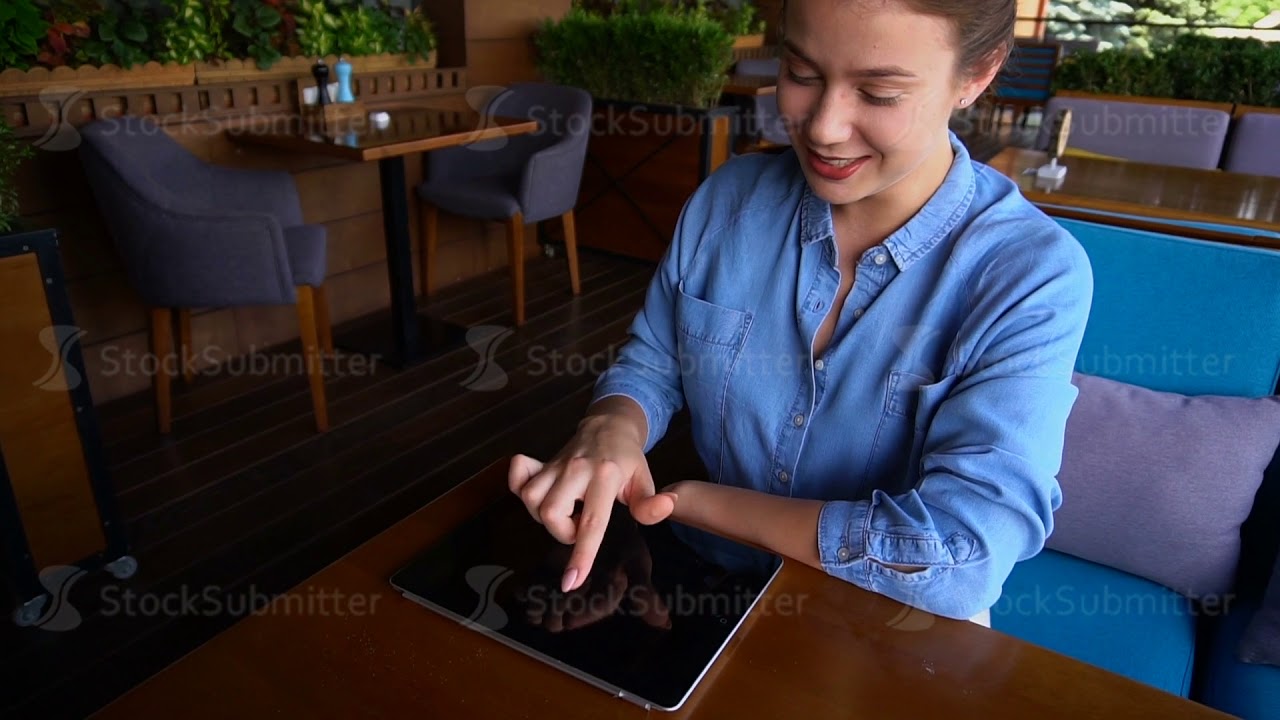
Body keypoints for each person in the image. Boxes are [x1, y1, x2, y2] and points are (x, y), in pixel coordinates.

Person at [508, 0, 1093, 626]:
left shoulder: (1029, 273)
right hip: (704, 583)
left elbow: (963, 556)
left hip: (889, 622)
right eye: (802, 73)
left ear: (976, 74)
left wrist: (695, 504)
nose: (823, 128)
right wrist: (611, 428)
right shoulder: (726, 202)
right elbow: (655, 361)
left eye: (879, 91)